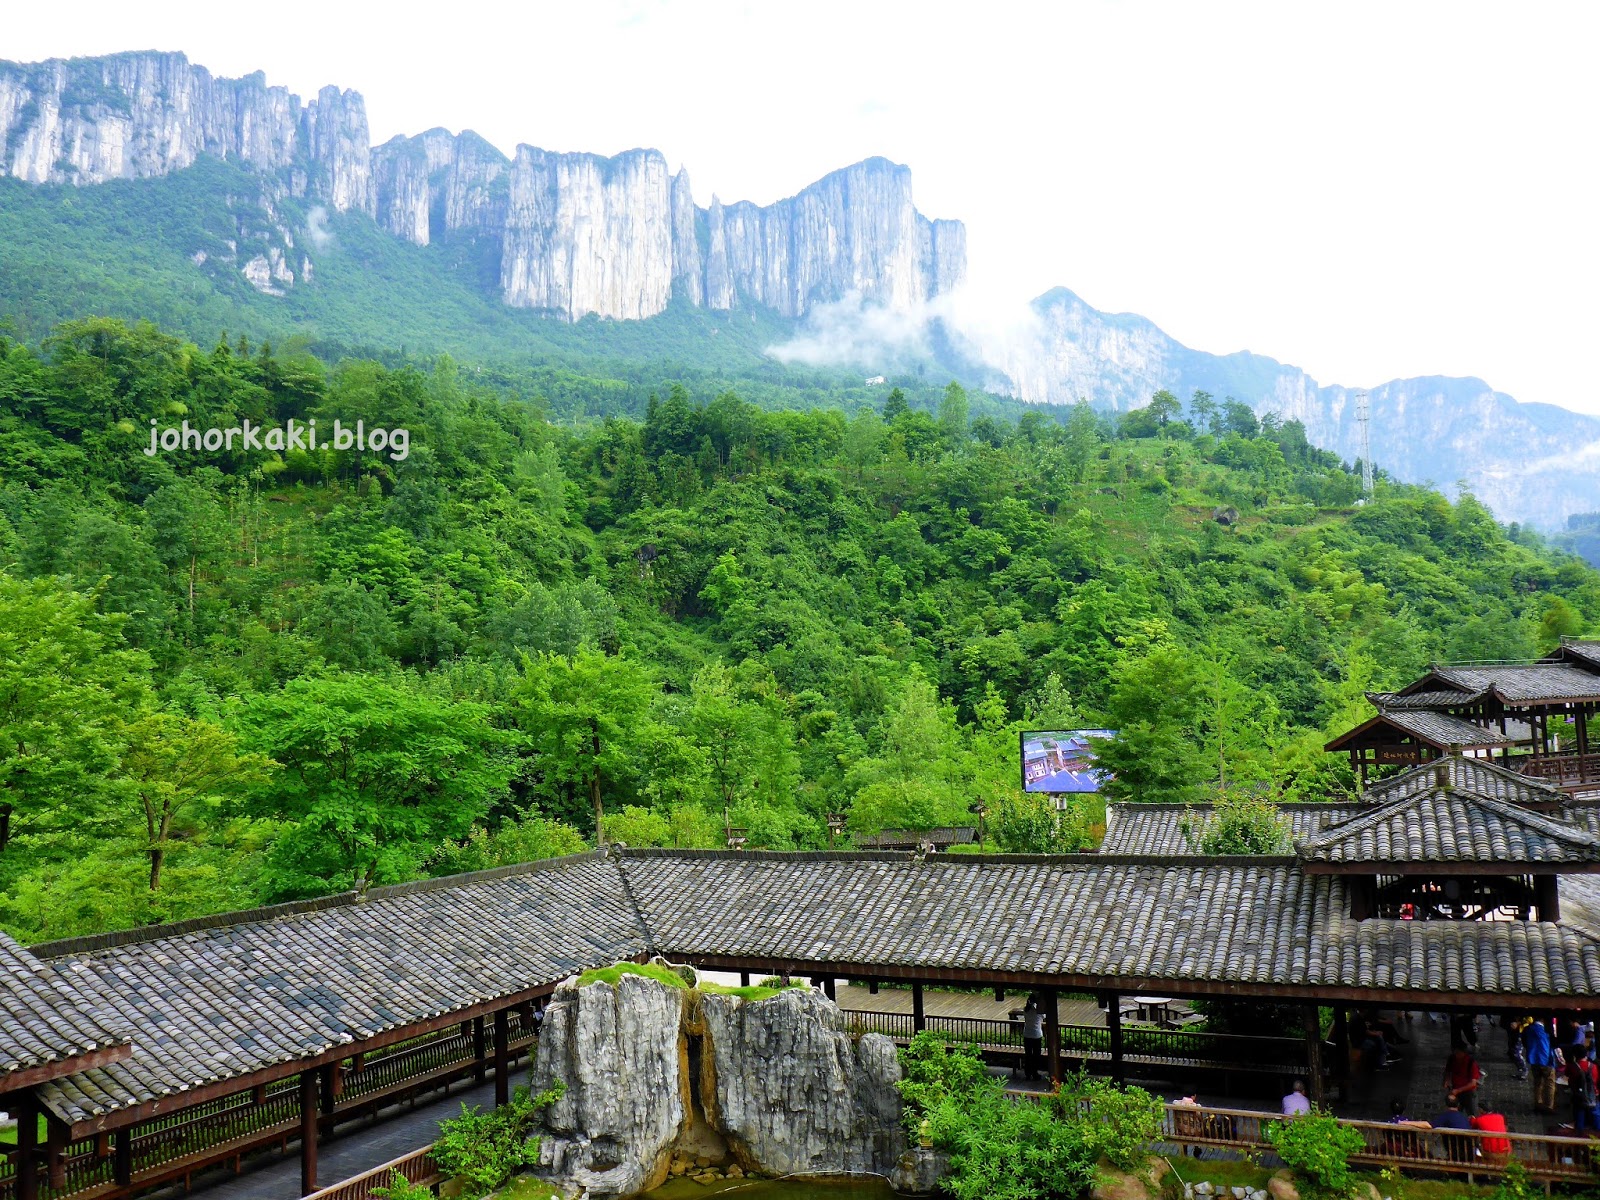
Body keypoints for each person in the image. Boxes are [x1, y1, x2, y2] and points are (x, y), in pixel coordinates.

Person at [1525, 1016, 1558, 1113]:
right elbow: (1549, 1045)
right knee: (1550, 1083)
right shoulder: (1544, 1032)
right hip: (1545, 1060)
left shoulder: (1528, 1029)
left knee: (1537, 1082)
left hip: (1534, 1059)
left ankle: (1538, 1103)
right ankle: (1549, 1105)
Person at [1431, 1095, 1475, 1164]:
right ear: (1458, 1104)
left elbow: (1430, 1126)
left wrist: (1410, 1123)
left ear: (1445, 1105)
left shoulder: (1446, 1116)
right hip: (1469, 1153)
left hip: (1455, 1153)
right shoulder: (1464, 1117)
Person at [1569, 1040, 1599, 1133]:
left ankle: (1579, 1133)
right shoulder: (1593, 1066)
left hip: (1579, 1096)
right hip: (1593, 1093)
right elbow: (1596, 1079)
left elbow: (1570, 1079)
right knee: (1596, 1113)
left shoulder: (1573, 1067)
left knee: (1579, 1113)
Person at [1444, 1046, 1482, 1115]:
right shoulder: (1452, 1059)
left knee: (1472, 1113)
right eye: (1455, 1052)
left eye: (1458, 1053)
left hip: (1469, 1092)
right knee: (1455, 1112)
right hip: (1456, 1090)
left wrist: (1458, 1090)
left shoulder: (1471, 1063)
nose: (1456, 1055)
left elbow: (1473, 1083)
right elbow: (1448, 1071)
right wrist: (1447, 1080)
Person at [1021, 995, 1045, 1082]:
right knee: (1036, 1055)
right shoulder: (1039, 1012)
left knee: (1028, 1055)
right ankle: (1035, 1073)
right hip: (1036, 1035)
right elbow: (1044, 1016)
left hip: (1027, 1034)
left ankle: (1027, 1073)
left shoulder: (1025, 1010)